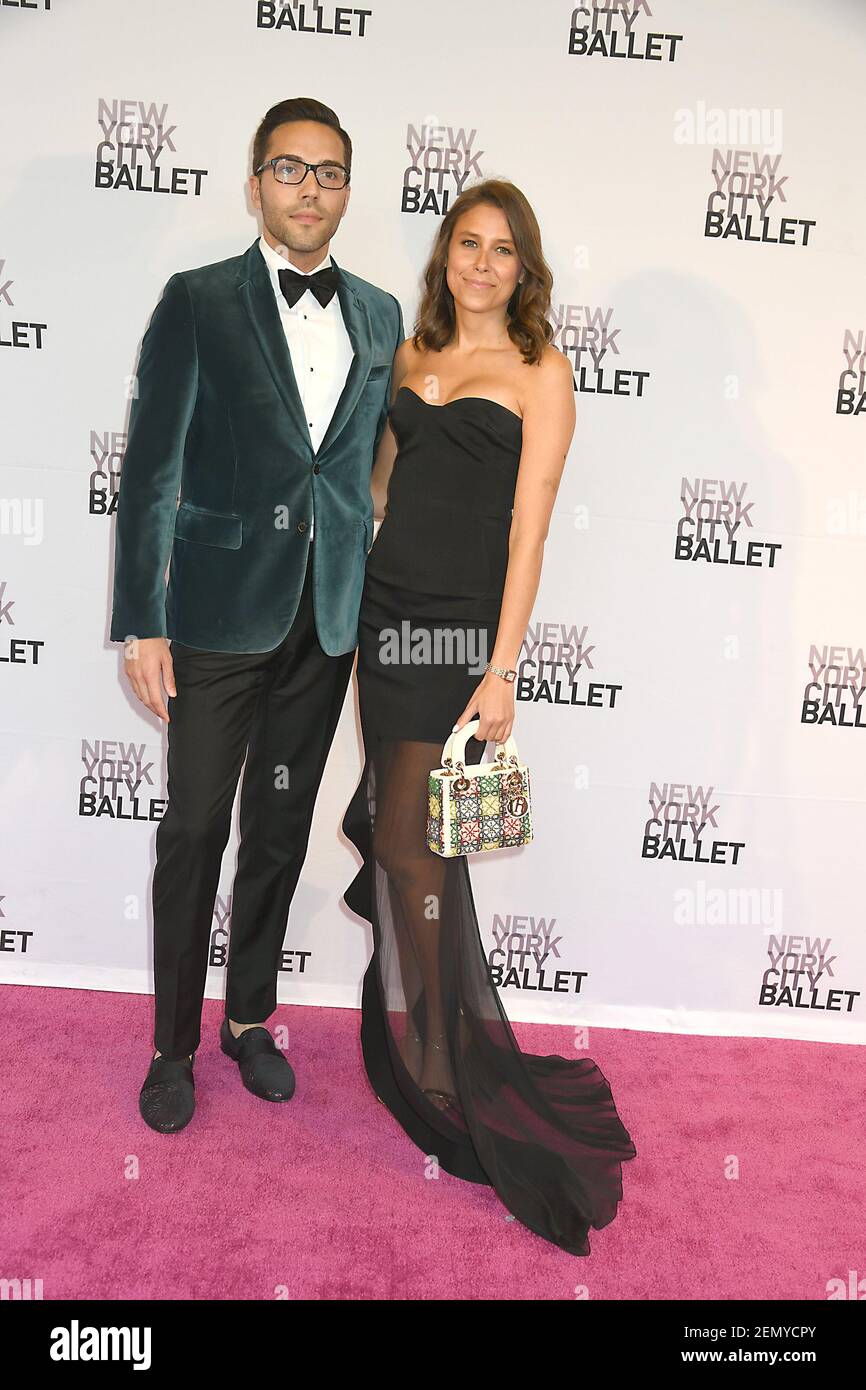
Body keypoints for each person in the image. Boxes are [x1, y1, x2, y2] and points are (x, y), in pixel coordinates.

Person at [341, 179, 636, 1256]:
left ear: (524, 268)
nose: (479, 262)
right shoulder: (410, 359)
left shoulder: (536, 370)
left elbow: (528, 532)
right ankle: (432, 1035)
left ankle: (437, 1054)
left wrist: (501, 665)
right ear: (444, 255)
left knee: (410, 845)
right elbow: (378, 489)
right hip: (384, 618)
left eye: (501, 250)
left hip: (460, 633)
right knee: (404, 841)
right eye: (466, 243)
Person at [110, 97, 403, 1133]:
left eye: (327, 171)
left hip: (324, 623)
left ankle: (248, 1019)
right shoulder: (197, 301)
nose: (308, 188)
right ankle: (172, 1044)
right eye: (288, 169)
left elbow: (368, 465)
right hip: (216, 621)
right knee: (193, 830)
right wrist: (141, 622)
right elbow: (150, 470)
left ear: (346, 191)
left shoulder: (377, 314)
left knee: (276, 829)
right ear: (254, 185)